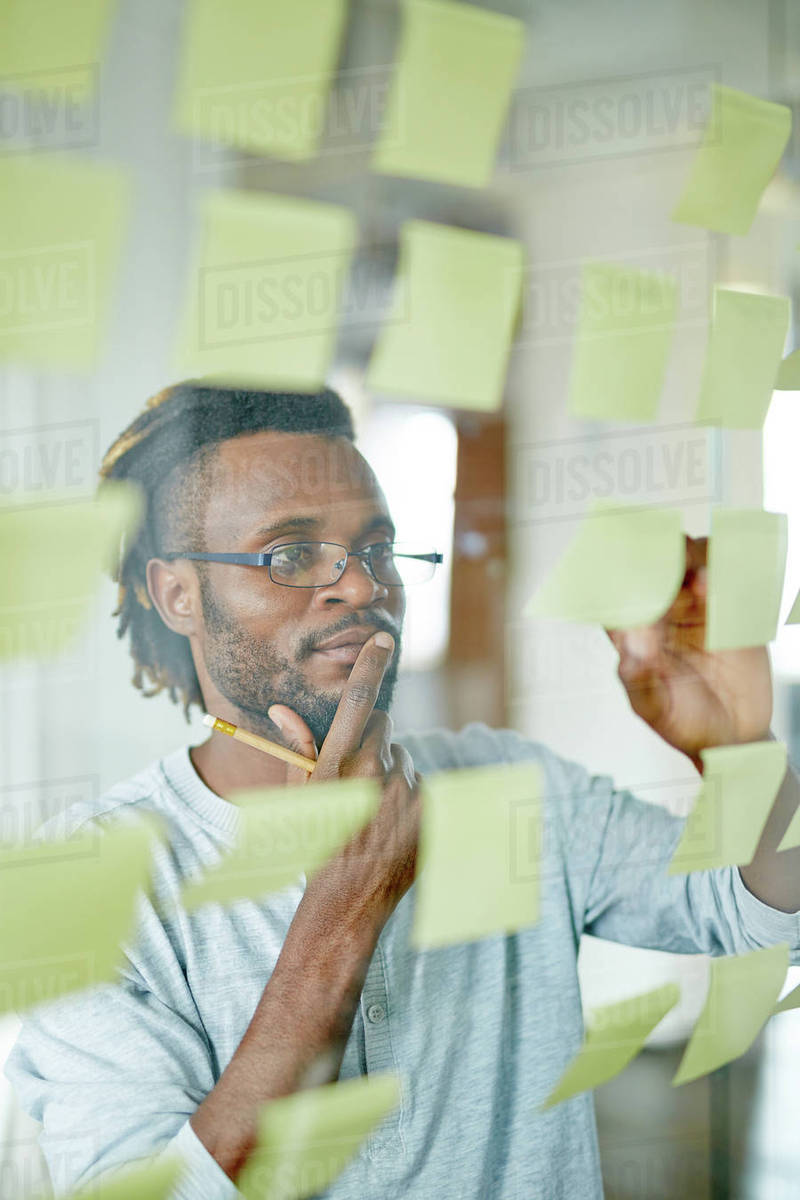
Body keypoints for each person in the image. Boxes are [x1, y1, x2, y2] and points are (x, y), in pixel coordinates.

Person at [5, 381, 800, 1200]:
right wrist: (340, 917)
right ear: (178, 594)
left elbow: (769, 920)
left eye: (377, 550)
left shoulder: (507, 786)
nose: (359, 587)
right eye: (288, 554)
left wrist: (743, 748)